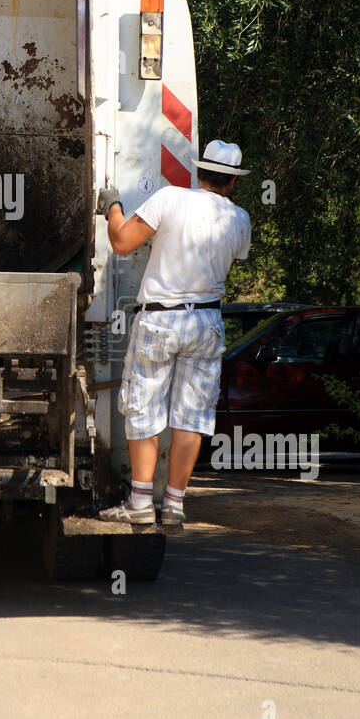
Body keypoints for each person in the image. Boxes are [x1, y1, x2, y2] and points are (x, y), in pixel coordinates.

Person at [96, 140, 251, 526]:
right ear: (232, 182)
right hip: (206, 324)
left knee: (144, 408)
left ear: (200, 173)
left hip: (160, 321)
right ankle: (176, 505)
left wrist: (113, 206)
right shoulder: (240, 219)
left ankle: (141, 504)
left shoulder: (169, 199)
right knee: (192, 417)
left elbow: (121, 242)